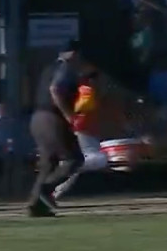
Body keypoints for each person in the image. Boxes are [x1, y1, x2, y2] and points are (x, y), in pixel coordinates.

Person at [26, 42, 85, 217]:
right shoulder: (65, 67)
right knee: (73, 159)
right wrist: (69, 116)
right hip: (51, 117)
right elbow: (56, 89)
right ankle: (45, 191)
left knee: (48, 164)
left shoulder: (49, 67)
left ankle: (37, 206)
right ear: (73, 54)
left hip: (37, 117)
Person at [52, 66, 113, 201]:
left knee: (93, 162)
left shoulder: (90, 90)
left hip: (88, 128)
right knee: (98, 160)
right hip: (84, 127)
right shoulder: (87, 89)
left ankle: (59, 189)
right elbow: (84, 108)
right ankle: (68, 168)